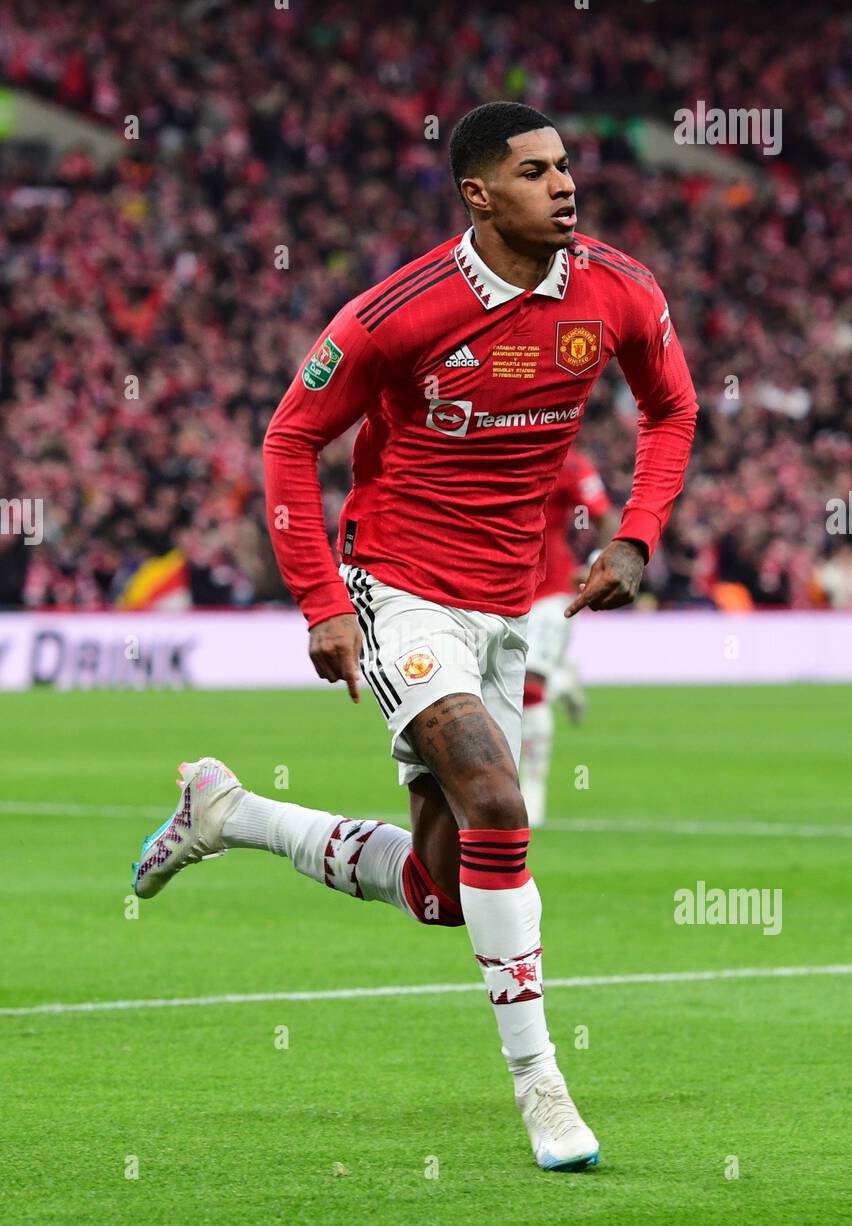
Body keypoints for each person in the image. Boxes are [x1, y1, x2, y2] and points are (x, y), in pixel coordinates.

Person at [132, 102, 698, 1172]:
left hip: (504, 609)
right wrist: (322, 601)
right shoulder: (400, 312)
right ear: (478, 196)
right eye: (534, 172)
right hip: (398, 586)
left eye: (567, 165)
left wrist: (636, 538)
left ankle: (230, 812)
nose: (565, 184)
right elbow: (290, 436)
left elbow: (671, 409)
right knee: (498, 795)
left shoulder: (618, 289)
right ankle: (542, 1088)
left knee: (445, 890)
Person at [520, 448, 617, 826]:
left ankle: (533, 789)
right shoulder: (492, 442)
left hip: (551, 591)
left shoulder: (572, 465)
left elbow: (606, 518)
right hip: (500, 590)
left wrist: (596, 563)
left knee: (529, 689)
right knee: (505, 687)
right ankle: (564, 681)